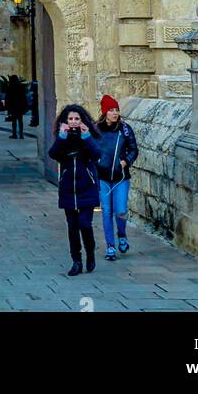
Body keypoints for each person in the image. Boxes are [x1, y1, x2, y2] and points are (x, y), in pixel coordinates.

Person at [48, 103, 100, 275]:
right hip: (69, 188)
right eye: (70, 119)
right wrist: (62, 136)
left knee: (85, 224)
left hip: (86, 187)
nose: (73, 122)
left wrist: (86, 136)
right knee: (72, 226)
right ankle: (76, 261)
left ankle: (90, 253)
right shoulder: (63, 137)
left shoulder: (88, 136)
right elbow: (54, 154)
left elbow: (96, 154)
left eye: (76, 118)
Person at [95, 95, 138, 260]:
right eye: (111, 110)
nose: (115, 113)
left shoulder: (125, 129)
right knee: (106, 211)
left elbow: (133, 149)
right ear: (105, 111)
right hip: (103, 176)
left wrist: (126, 161)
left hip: (121, 177)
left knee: (120, 210)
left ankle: (122, 234)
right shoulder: (96, 129)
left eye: (117, 110)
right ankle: (110, 246)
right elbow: (91, 149)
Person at [4, 74, 27, 140]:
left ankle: (14, 134)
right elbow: (23, 97)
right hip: (20, 106)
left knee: (14, 121)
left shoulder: (10, 86)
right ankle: (21, 134)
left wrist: (7, 107)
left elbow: (7, 98)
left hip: (13, 106)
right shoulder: (20, 86)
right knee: (20, 120)